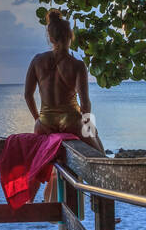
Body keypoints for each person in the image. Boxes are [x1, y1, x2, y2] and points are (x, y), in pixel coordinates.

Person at [23, 9, 104, 152]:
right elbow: (85, 104)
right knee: (100, 151)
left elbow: (28, 95)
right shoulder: (77, 65)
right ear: (70, 36)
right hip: (71, 121)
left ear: (51, 38)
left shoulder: (37, 60)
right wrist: (89, 126)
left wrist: (38, 119)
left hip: (45, 122)